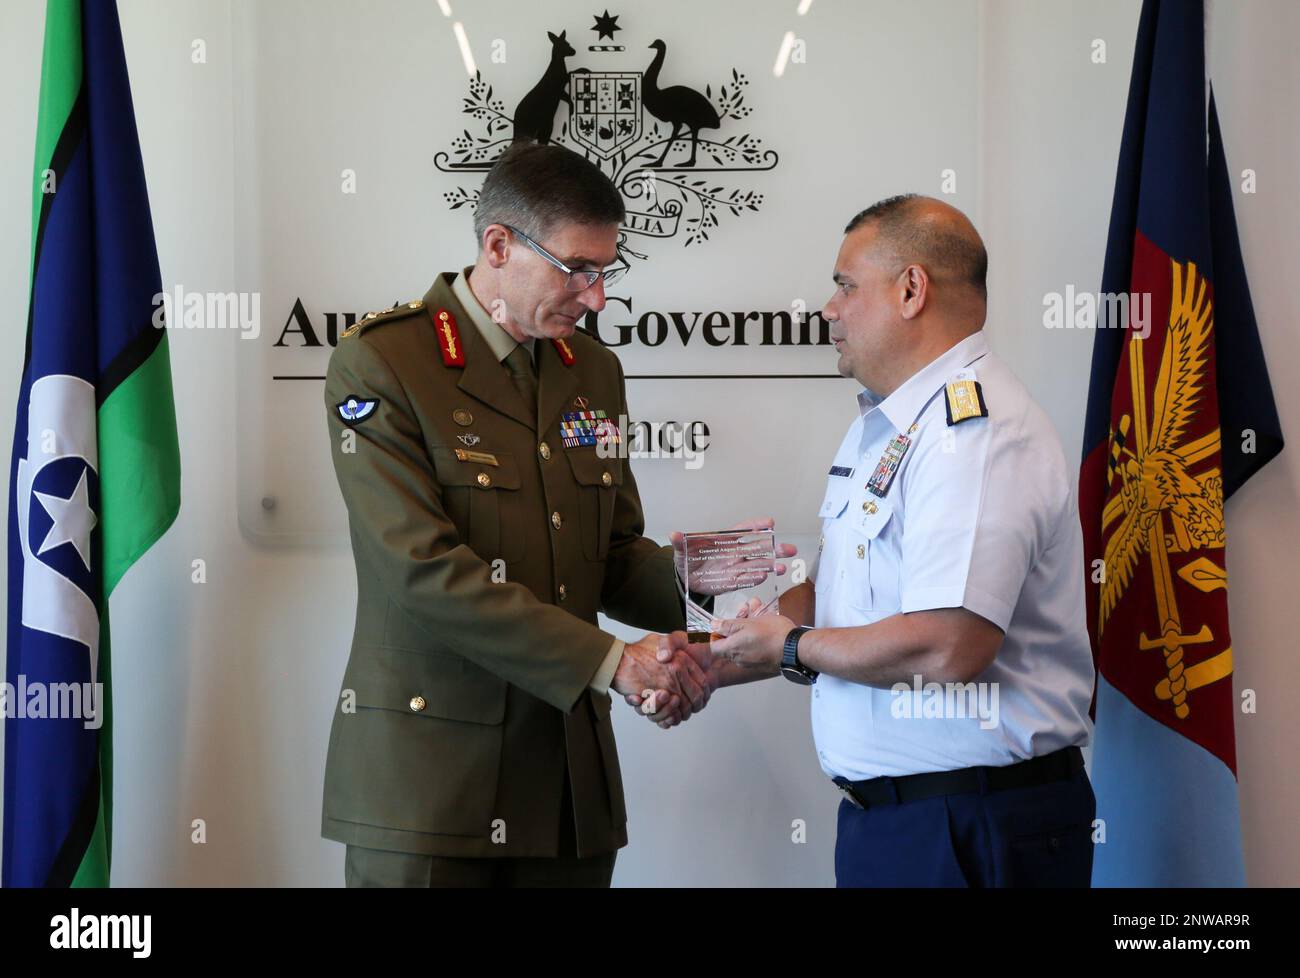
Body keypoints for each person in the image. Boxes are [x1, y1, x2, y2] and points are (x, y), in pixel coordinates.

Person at [321, 142, 788, 887]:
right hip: (433, 789)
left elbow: (613, 555)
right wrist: (615, 664)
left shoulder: (593, 371)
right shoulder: (384, 363)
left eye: (606, 270)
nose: (597, 296)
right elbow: (421, 570)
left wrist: (735, 581)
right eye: (577, 269)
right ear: (498, 245)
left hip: (569, 787)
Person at [647, 194, 1097, 887]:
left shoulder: (971, 433)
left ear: (911, 289)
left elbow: (951, 644)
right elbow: (838, 598)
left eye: (845, 285)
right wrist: (719, 661)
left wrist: (790, 648)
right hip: (897, 822)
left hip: (971, 825)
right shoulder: (883, 427)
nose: (828, 308)